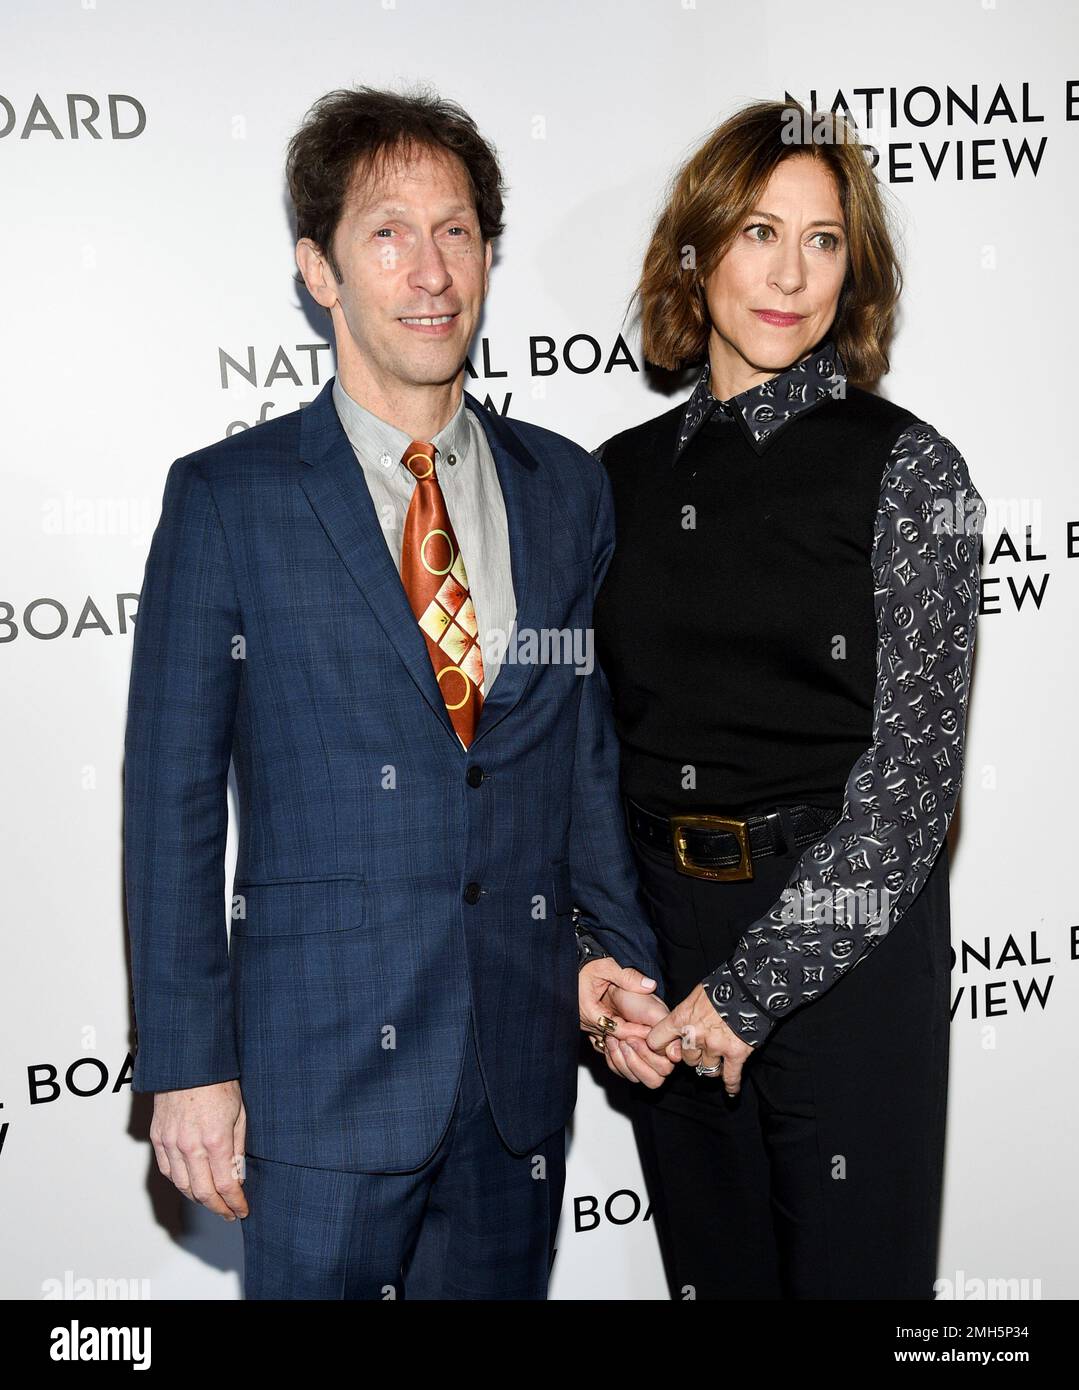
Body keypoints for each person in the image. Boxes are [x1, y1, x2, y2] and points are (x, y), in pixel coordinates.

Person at [122, 85, 671, 1302]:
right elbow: (169, 799)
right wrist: (188, 1065)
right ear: (317, 269)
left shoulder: (563, 489)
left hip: (511, 1079)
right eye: (387, 233)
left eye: (458, 231)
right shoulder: (230, 499)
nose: (430, 273)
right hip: (315, 1080)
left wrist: (601, 959)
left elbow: (573, 758)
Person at [592, 100, 984, 1300]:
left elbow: (912, 786)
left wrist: (752, 988)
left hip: (842, 956)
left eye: (823, 242)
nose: (790, 274)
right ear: (698, 249)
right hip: (665, 949)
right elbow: (583, 751)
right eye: (760, 231)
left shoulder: (912, 469)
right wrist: (603, 952)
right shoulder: (611, 478)